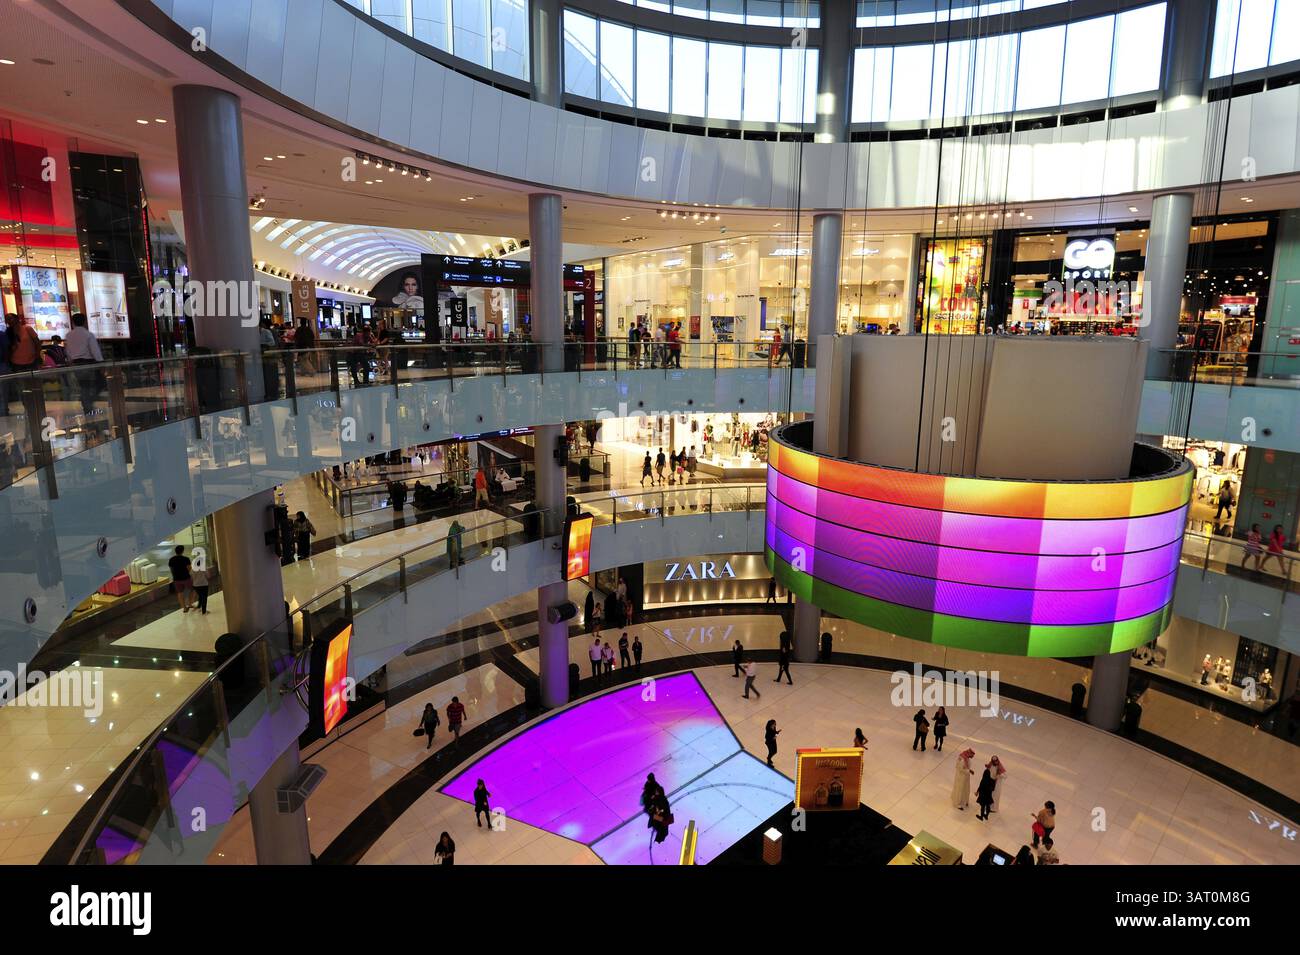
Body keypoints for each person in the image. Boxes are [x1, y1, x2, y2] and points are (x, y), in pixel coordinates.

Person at [65, 312, 104, 416]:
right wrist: (100, 363)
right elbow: (95, 350)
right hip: (88, 363)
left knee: (84, 385)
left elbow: (68, 351)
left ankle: (87, 405)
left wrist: (71, 361)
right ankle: (87, 403)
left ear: (73, 322)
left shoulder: (69, 335)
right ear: (85, 322)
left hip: (77, 364)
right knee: (100, 383)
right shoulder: (88, 334)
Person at [168, 544, 193, 613]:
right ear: (182, 551)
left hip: (176, 579)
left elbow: (171, 569)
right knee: (192, 589)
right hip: (186, 578)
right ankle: (190, 603)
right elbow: (189, 568)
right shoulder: (186, 559)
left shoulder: (171, 560)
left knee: (180, 592)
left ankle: (184, 608)